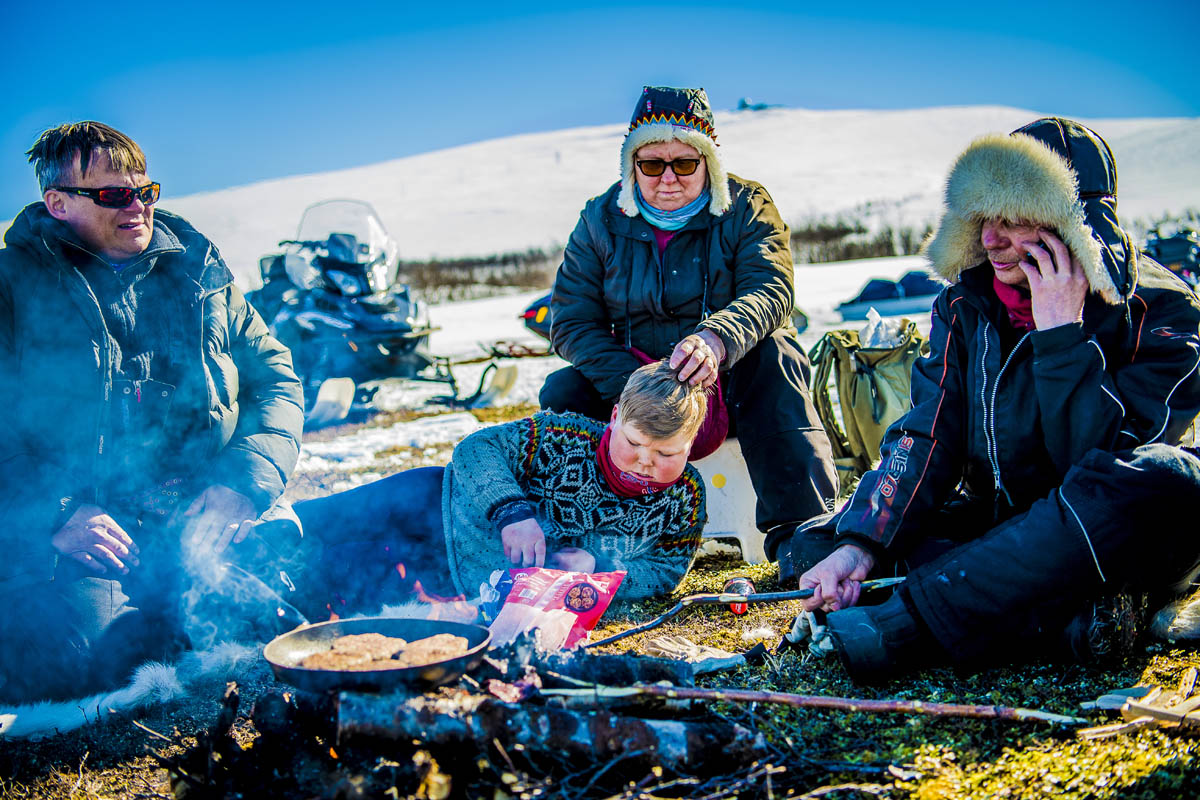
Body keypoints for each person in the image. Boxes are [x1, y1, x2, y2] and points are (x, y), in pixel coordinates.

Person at [790, 118, 1200, 682]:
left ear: (1071, 225)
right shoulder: (966, 305)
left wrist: (1061, 337)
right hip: (1008, 525)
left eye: (1012, 218)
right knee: (814, 545)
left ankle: (912, 621)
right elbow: (927, 433)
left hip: (1119, 541)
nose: (989, 239)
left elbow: (1103, 473)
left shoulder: (1166, 312)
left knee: (1169, 480)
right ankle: (1069, 624)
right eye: (984, 218)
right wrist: (863, 543)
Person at [0, 122, 304, 703]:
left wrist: (242, 481)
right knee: (70, 661)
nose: (137, 207)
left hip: (197, 510)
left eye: (145, 191)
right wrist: (57, 511)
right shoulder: (10, 286)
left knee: (286, 610)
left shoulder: (198, 272)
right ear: (57, 203)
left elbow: (275, 380)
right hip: (89, 529)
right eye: (113, 194)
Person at [539, 86, 838, 565]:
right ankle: (584, 538)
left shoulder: (745, 207)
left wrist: (716, 339)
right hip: (631, 382)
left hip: (729, 379)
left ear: (708, 163)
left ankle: (802, 536)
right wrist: (633, 384)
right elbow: (571, 319)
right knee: (563, 391)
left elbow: (772, 290)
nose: (668, 178)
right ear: (631, 166)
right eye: (652, 164)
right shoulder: (598, 220)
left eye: (684, 163)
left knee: (777, 357)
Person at [250, 360, 708, 618]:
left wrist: (600, 565)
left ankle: (239, 598)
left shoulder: (685, 496)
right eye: (633, 443)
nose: (646, 461)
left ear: (691, 444)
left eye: (667, 454)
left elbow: (666, 570)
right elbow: (476, 449)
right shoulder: (566, 437)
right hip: (432, 502)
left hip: (450, 575)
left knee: (321, 581)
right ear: (614, 420)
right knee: (303, 527)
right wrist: (513, 512)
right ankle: (237, 540)